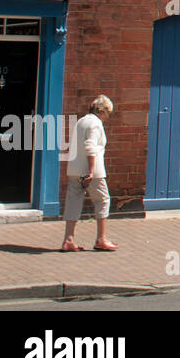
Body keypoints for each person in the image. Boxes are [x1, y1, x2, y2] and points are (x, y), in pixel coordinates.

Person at [61, 95, 116, 252]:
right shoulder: (95, 124)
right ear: (101, 110)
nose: (108, 117)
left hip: (74, 168)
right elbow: (90, 147)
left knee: (73, 201)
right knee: (103, 200)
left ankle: (68, 239)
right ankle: (101, 239)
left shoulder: (81, 121)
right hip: (92, 171)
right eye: (108, 113)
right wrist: (91, 172)